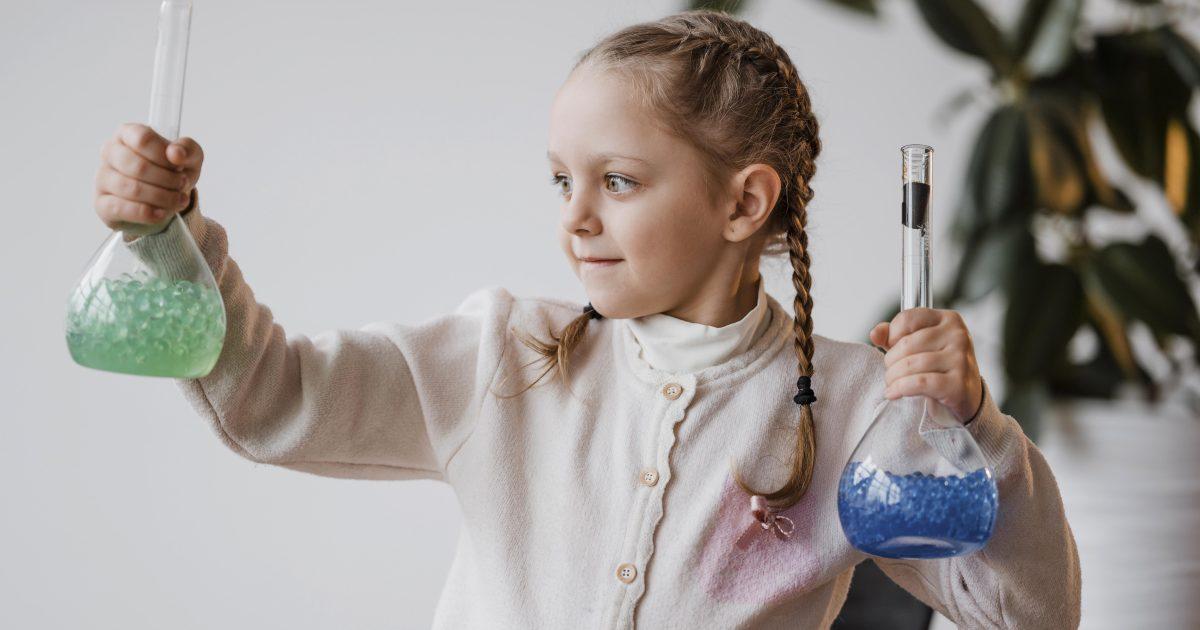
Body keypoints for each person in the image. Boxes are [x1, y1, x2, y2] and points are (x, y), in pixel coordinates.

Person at [92, 9, 1081, 629]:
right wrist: (170, 240)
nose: (574, 216)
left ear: (744, 204)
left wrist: (973, 432)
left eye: (618, 180)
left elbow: (1028, 616)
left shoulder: (862, 409)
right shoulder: (504, 353)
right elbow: (269, 403)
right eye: (563, 177)